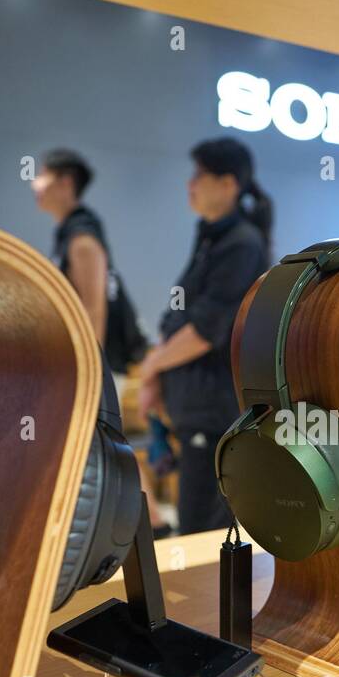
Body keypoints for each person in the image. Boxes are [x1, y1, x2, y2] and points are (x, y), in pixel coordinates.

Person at [138, 137, 272, 534]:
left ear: (228, 184)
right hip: (194, 411)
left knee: (202, 530)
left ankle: (206, 599)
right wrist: (157, 372)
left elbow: (204, 330)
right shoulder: (213, 240)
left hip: (214, 415)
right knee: (199, 522)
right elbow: (181, 320)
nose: (189, 184)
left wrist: (150, 366)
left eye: (199, 175)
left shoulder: (241, 244)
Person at [31, 147, 166, 532]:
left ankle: (148, 526)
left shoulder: (82, 235)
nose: (34, 184)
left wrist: (89, 371)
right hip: (100, 362)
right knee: (108, 446)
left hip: (100, 363)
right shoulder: (72, 231)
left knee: (105, 448)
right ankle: (152, 525)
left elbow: (93, 312)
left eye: (41, 175)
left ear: (65, 182)